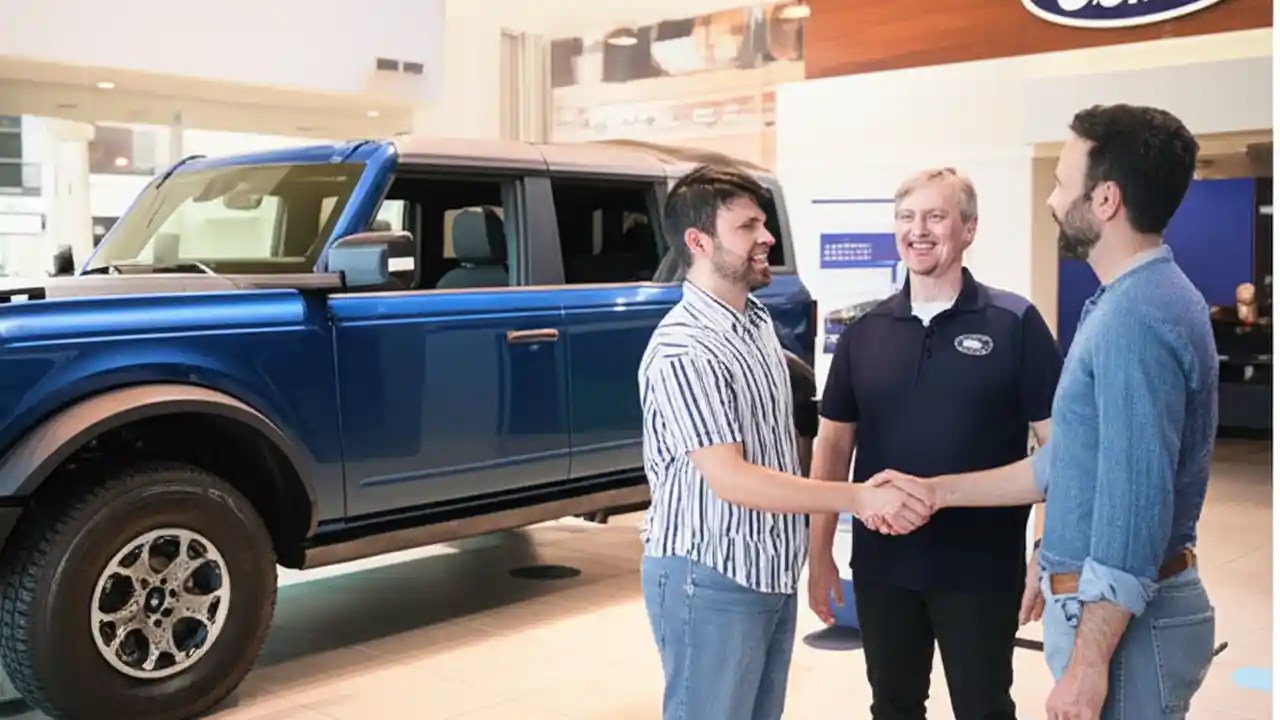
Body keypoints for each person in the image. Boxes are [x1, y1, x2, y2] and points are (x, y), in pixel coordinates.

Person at [873, 104, 1217, 720]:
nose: (1052, 201)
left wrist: (1087, 667)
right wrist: (939, 493)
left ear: (1105, 200)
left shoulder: (1133, 318)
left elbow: (1132, 509)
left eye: (1061, 183)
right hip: (1110, 615)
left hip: (1123, 635)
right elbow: (1065, 465)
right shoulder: (1132, 300)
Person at [638, 163, 931, 720]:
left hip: (767, 570)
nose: (767, 237)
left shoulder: (754, 324)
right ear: (698, 242)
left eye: (763, 223)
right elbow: (732, 478)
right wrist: (860, 497)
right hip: (712, 574)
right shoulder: (684, 348)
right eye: (747, 226)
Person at [808, 167, 1063, 720]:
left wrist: (1045, 552)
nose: (918, 230)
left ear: (969, 229)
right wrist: (819, 552)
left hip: (981, 568)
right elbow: (831, 448)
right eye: (906, 217)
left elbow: (1059, 453)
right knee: (892, 707)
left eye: (935, 216)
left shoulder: (1014, 323)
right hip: (883, 567)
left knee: (984, 709)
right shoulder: (864, 331)